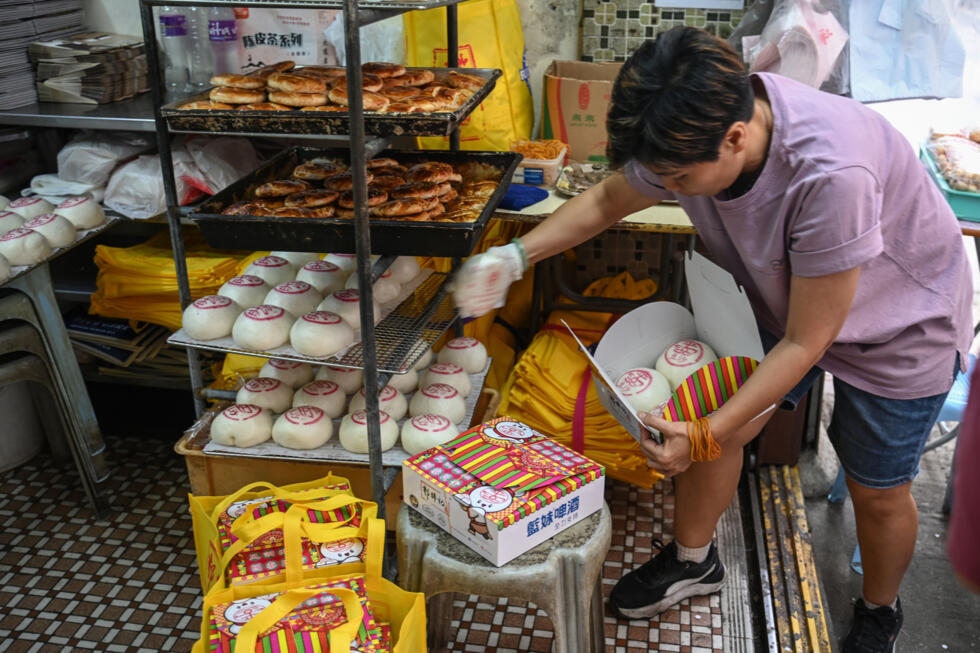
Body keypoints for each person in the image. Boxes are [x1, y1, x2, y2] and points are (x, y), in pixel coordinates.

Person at [453, 26, 973, 653]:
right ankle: (695, 560)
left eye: (675, 176)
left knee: (877, 489)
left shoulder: (831, 175)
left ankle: (879, 611)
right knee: (709, 416)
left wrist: (709, 431)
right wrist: (515, 254)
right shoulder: (703, 119)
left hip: (898, 321)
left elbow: (807, 341)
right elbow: (614, 197)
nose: (665, 186)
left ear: (735, 138)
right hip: (785, 297)